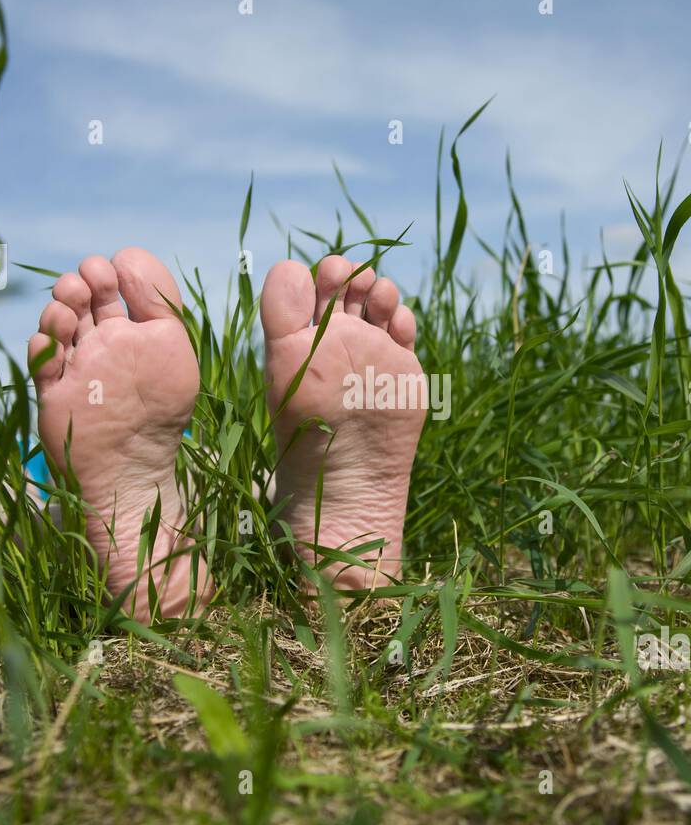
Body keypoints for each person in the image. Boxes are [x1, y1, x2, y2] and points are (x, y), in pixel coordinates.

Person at [25, 248, 425, 623]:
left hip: (82, 482)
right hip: (159, 479)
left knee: (5, 504)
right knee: (240, 490)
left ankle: (155, 555)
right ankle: (343, 558)